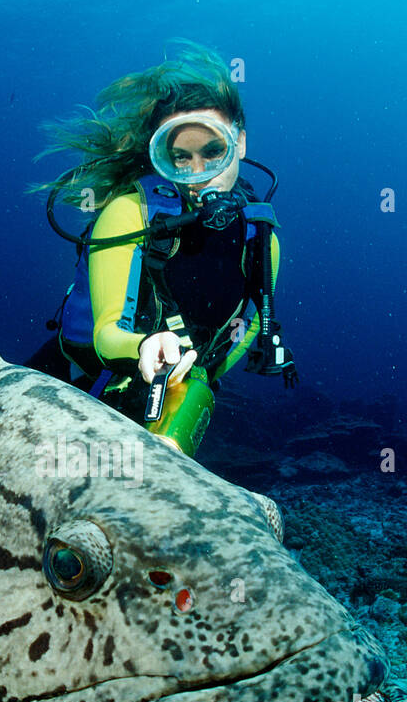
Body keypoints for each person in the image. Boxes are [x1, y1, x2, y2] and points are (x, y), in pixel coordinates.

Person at [28, 42, 297, 456]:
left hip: (161, 404)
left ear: (240, 142)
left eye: (213, 151)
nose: (199, 174)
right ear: (161, 160)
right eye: (179, 158)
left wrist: (200, 377)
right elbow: (104, 335)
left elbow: (249, 328)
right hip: (69, 388)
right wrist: (143, 347)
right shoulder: (129, 212)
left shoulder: (262, 241)